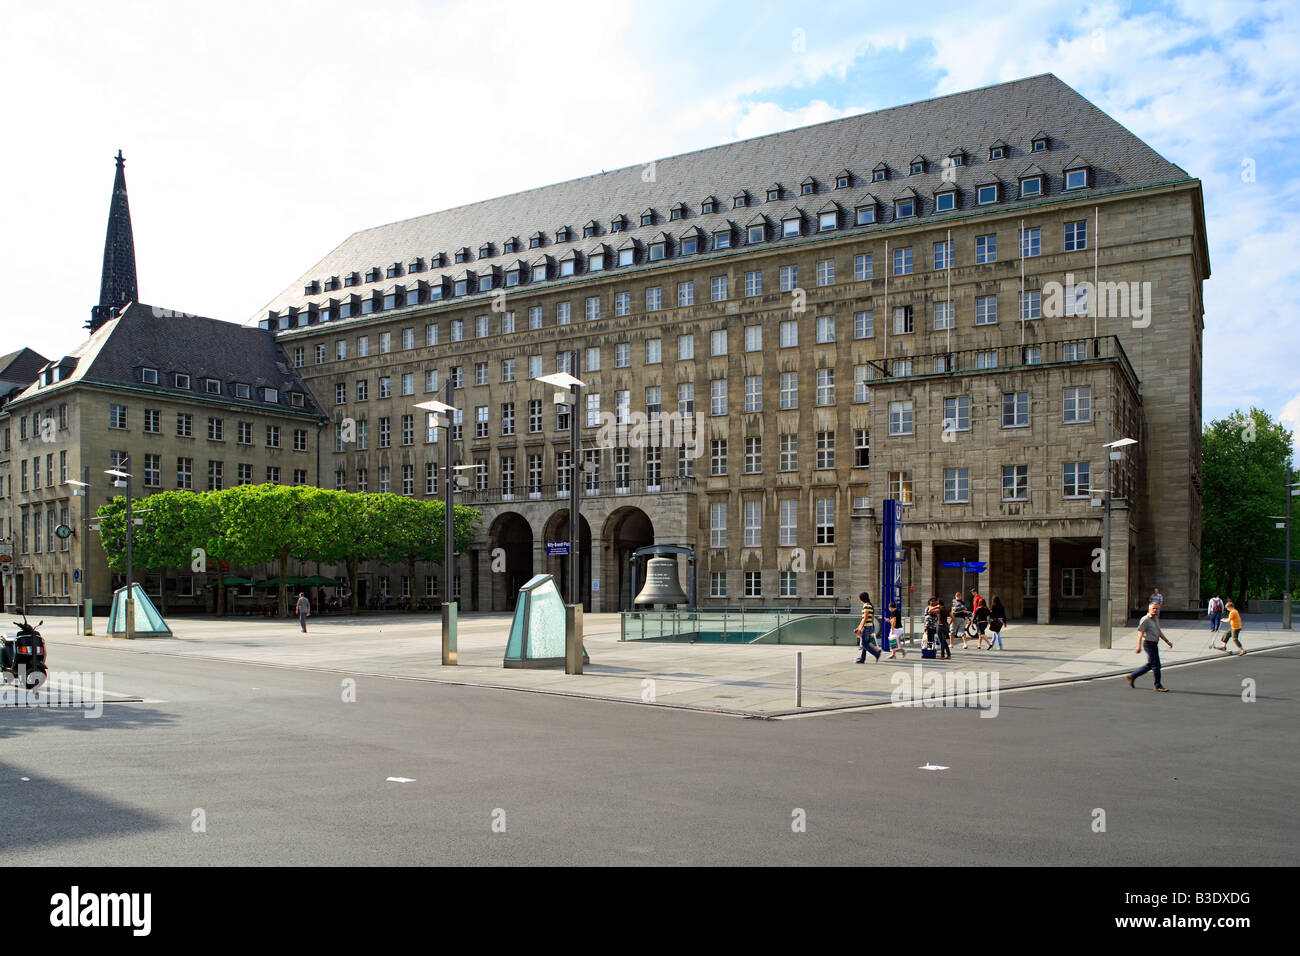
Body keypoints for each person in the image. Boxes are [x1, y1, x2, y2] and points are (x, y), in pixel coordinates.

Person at [1128, 602, 1173, 692]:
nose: (1155, 610)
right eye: (1154, 608)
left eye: (1157, 608)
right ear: (1149, 609)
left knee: (1150, 665)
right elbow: (1140, 633)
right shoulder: (1145, 619)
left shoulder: (1156, 618)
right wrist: (1139, 646)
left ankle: (1133, 676)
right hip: (1148, 644)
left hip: (1154, 643)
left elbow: (1159, 632)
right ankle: (1158, 685)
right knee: (1156, 665)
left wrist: (1167, 641)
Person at [855, 591, 881, 663]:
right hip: (869, 626)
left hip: (866, 627)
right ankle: (862, 658)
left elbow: (865, 618)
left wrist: (860, 628)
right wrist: (871, 627)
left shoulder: (866, 606)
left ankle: (876, 654)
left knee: (864, 644)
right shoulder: (870, 605)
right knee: (866, 642)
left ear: (861, 599)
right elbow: (872, 618)